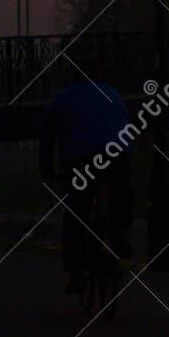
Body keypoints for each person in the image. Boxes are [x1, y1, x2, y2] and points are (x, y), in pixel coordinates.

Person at [39, 49, 134, 293]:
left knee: (76, 213)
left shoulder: (62, 98)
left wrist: (47, 169)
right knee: (121, 196)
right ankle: (121, 233)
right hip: (116, 156)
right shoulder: (113, 94)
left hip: (80, 159)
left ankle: (77, 270)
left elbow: (48, 137)